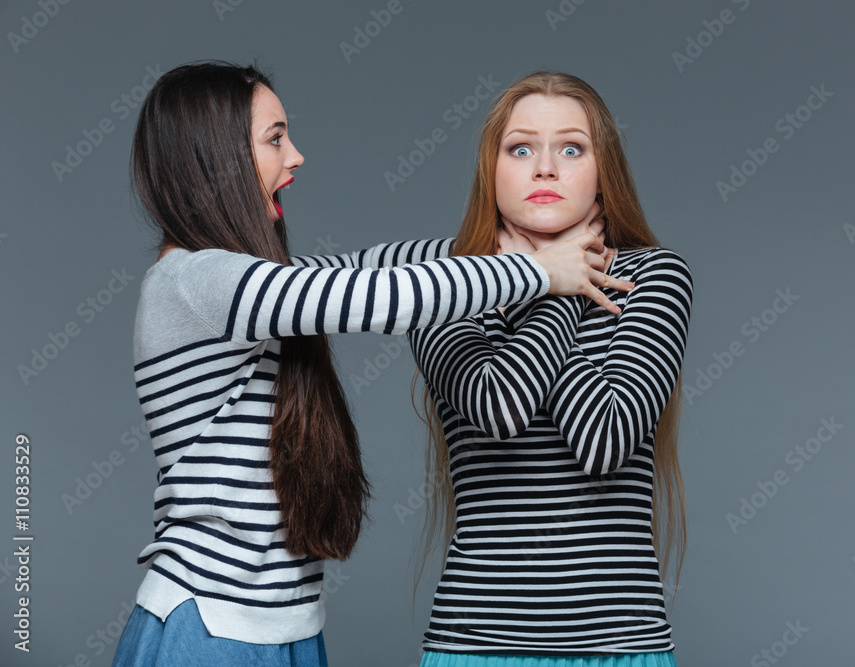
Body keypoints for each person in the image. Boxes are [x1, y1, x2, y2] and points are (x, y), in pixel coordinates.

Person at [111, 60, 633, 666]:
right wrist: (541, 270)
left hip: (283, 623)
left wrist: (516, 240)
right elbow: (376, 295)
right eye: (275, 139)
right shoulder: (196, 281)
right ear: (215, 159)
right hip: (208, 626)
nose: (296, 156)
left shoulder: (252, 283)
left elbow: (373, 265)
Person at [408, 70, 693, 666]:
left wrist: (554, 279)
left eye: (571, 149)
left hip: (620, 647)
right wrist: (548, 281)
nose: (545, 169)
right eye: (520, 149)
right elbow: (499, 408)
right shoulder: (446, 281)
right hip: (478, 646)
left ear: (603, 171)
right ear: (491, 170)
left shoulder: (655, 276)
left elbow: (604, 441)